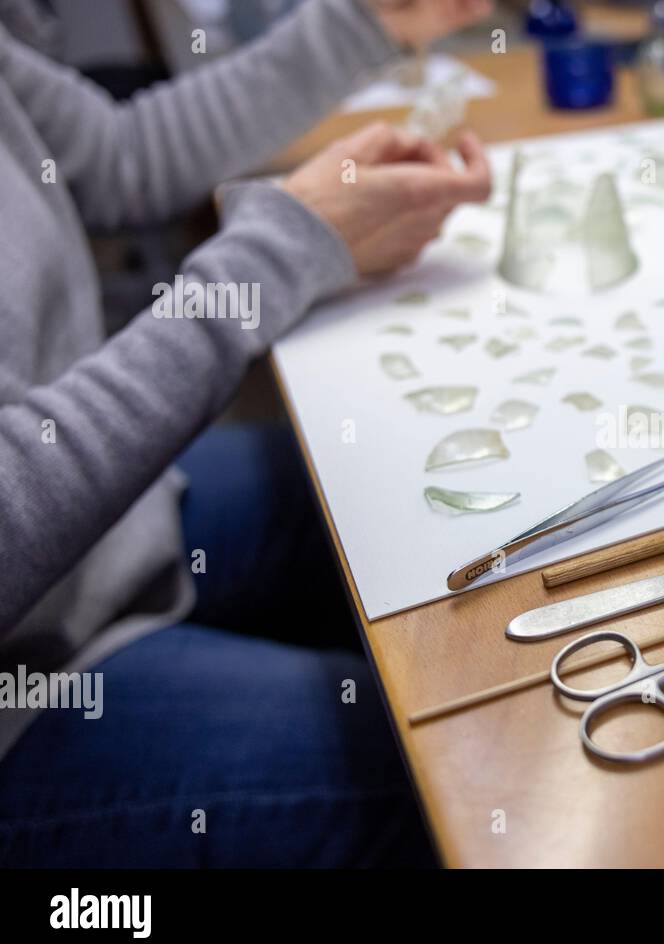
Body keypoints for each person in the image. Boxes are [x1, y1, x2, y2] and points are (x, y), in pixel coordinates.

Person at [0, 0, 493, 867]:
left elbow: (121, 157)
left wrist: (365, 20)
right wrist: (274, 257)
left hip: (100, 544)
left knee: (398, 488)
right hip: (24, 690)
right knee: (468, 773)